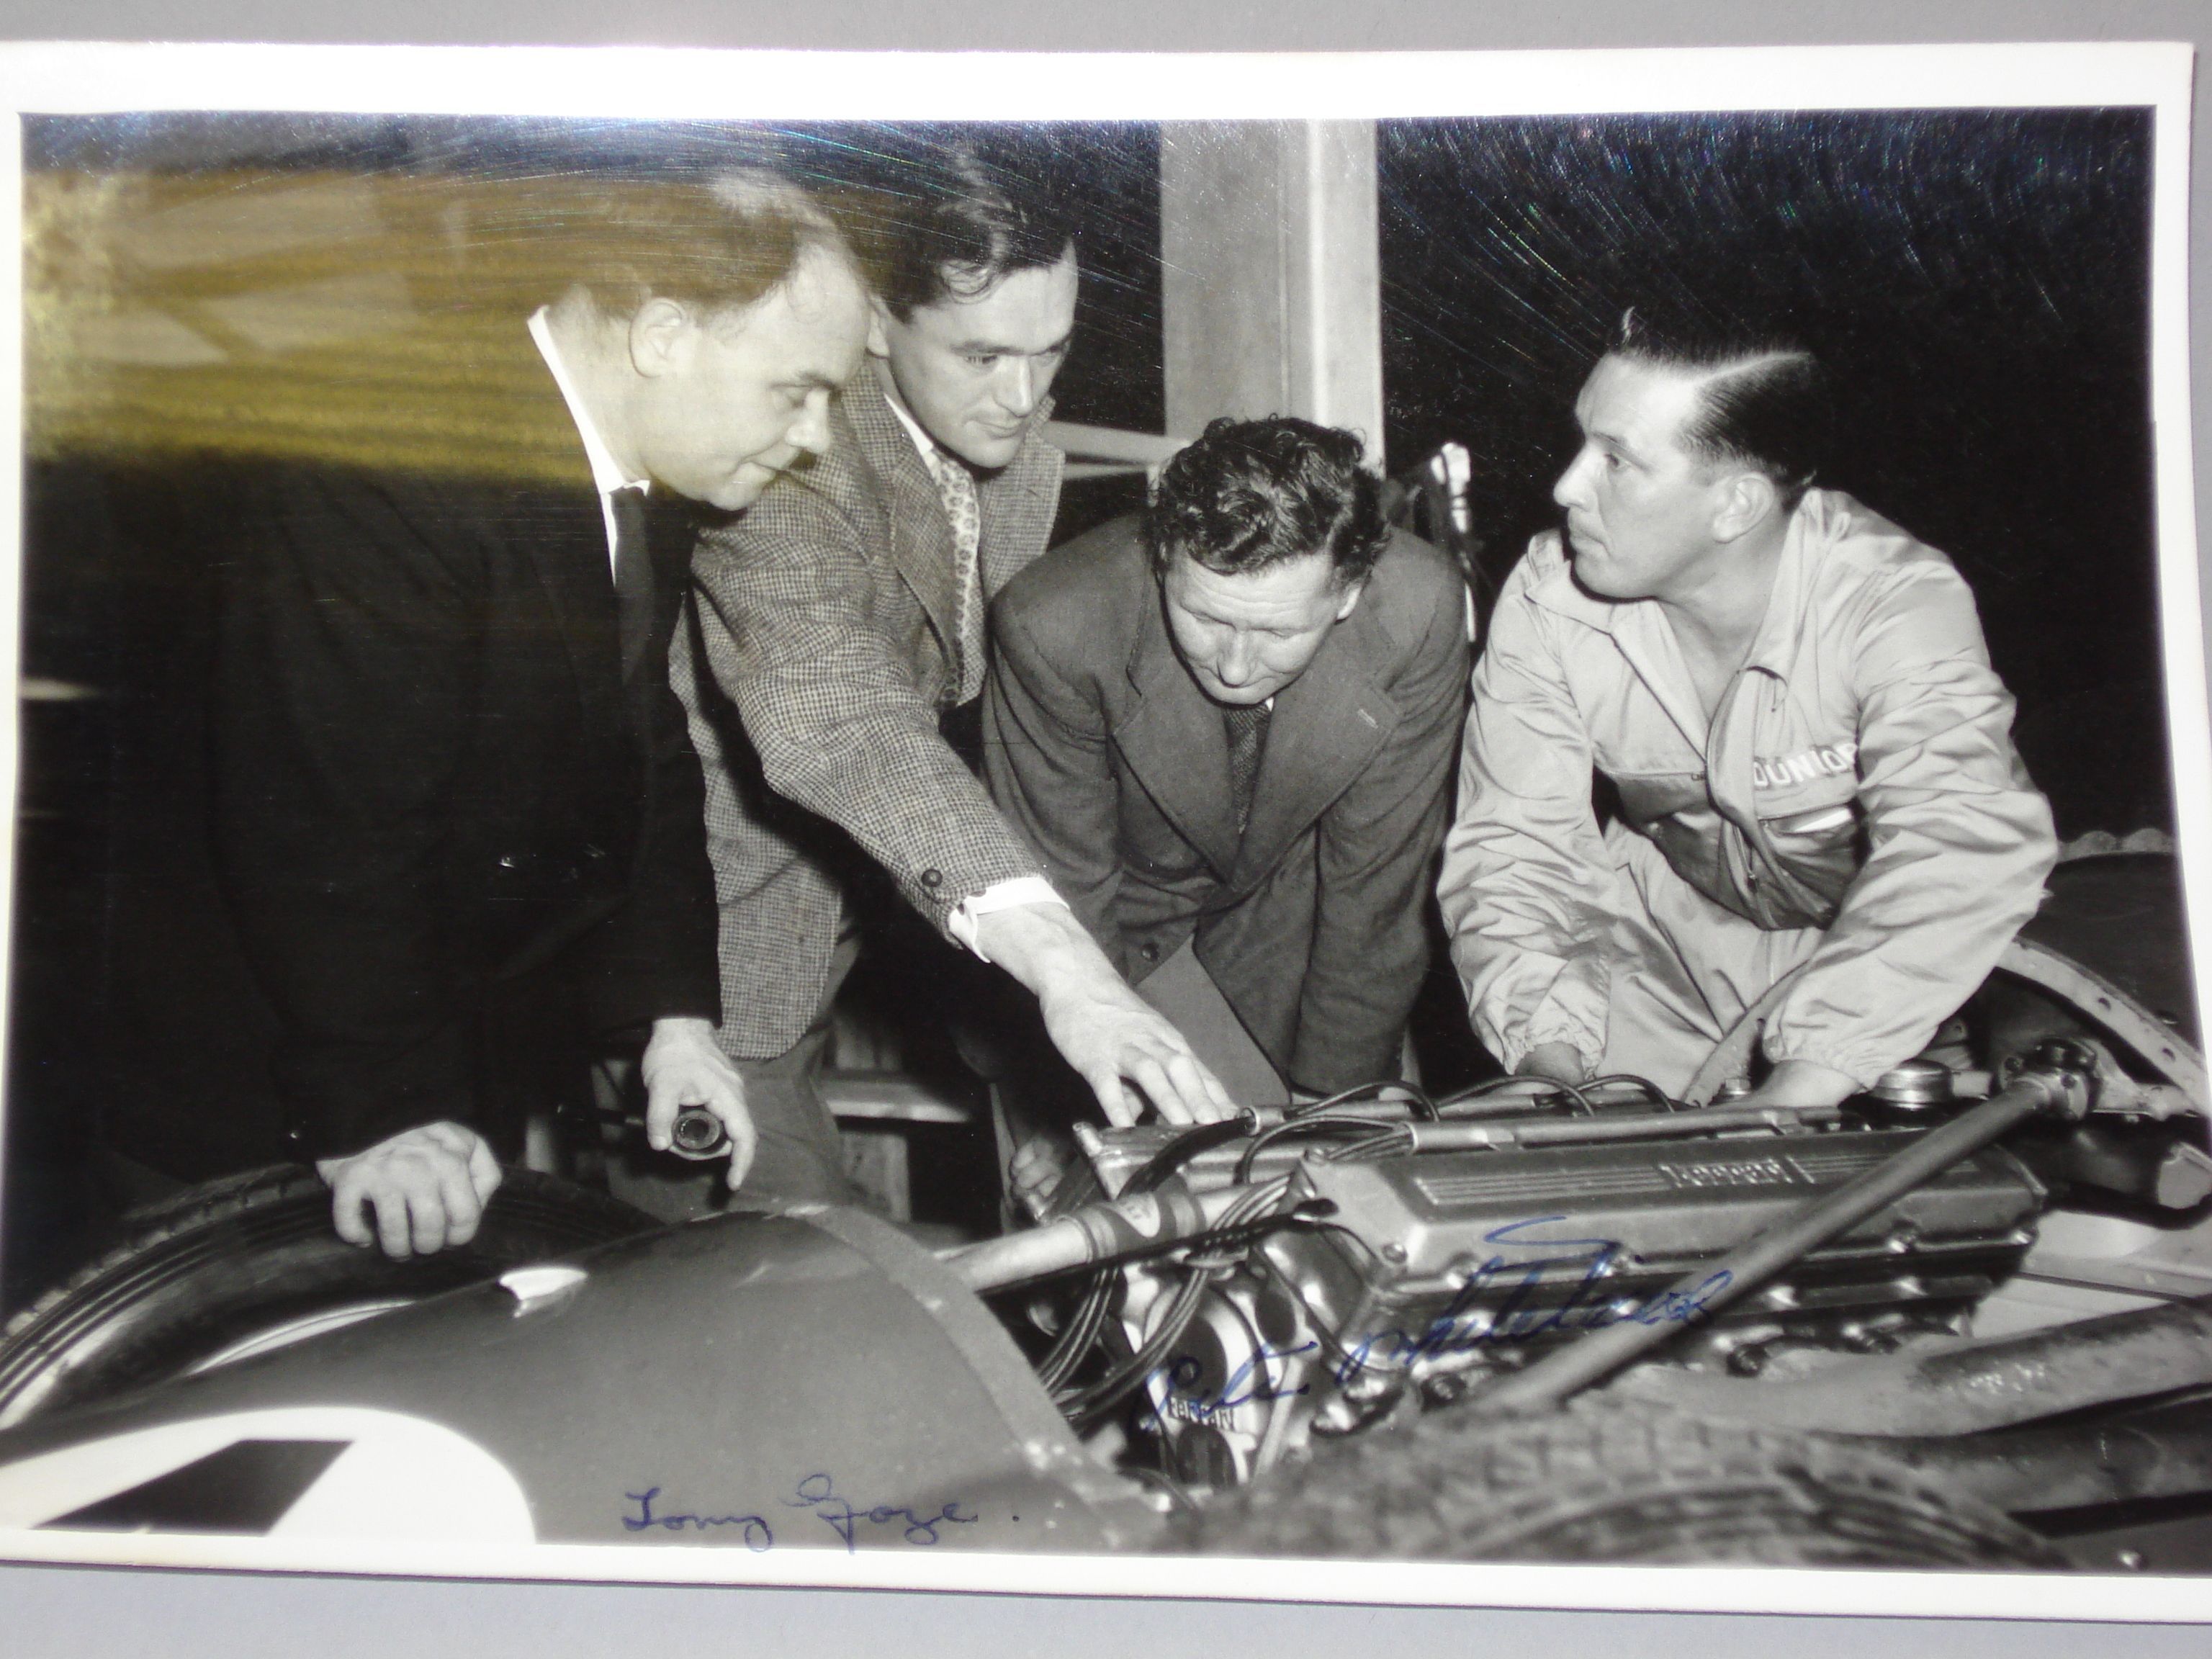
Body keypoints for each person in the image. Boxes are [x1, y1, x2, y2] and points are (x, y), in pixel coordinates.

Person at [190, 170, 873, 1256]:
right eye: (796, 391)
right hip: (272, 1088)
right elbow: (330, 818)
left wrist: (674, 1020)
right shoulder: (394, 458)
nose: (817, 437)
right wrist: (380, 1108)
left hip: (427, 1052)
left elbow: (641, 747)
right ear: (663, 336)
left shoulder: (632, 472)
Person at [678, 136, 1232, 1208]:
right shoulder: (787, 460)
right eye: (983, 358)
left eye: (1051, 351)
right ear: (873, 319)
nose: (1026, 398)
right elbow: (850, 722)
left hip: (911, 897)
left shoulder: (996, 434)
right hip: (729, 942)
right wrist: (1067, 972)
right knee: (793, 1265)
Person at [1437, 309, 2058, 1108]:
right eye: (1582, 442)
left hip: (1886, 959)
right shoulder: (1549, 598)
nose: (1565, 487)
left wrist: (1797, 1094)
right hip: (1660, 953)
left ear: (1736, 505)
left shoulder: (1895, 600)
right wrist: (1550, 1075)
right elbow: (1517, 847)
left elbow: (1956, 843)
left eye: (1615, 460)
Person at [984, 416, 1470, 1105]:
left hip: (1294, 917)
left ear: (1350, 593)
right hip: (1119, 924)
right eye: (1207, 619)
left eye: (1278, 631)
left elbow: (1376, 884)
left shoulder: (1419, 609)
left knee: (1352, 1141)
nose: (1236, 667)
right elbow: (1068, 891)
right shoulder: (1053, 623)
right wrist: (1073, 1106)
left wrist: (1339, 1100)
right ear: (1163, 559)